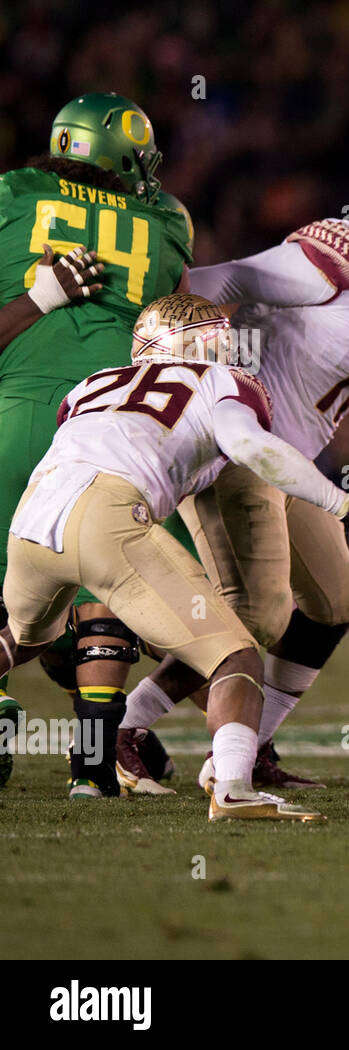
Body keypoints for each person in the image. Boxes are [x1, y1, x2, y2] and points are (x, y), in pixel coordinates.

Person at [113, 179, 349, 793]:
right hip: (235, 446)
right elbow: (224, 281)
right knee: (257, 615)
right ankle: (124, 723)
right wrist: (176, 369)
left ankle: (251, 744)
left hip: (287, 462)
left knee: (339, 600)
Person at [0, 293, 349, 817]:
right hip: (109, 517)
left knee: (19, 641)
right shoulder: (220, 382)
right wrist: (347, 505)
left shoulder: (94, 383)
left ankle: (139, 739)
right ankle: (235, 788)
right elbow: (253, 449)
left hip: (34, 515)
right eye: (211, 340)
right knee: (236, 655)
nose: (224, 350)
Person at [0, 92, 192, 794]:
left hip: (14, 410)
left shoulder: (13, 194)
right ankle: (91, 766)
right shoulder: (167, 220)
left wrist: (36, 300)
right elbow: (180, 321)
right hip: (112, 420)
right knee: (103, 587)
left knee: (8, 599)